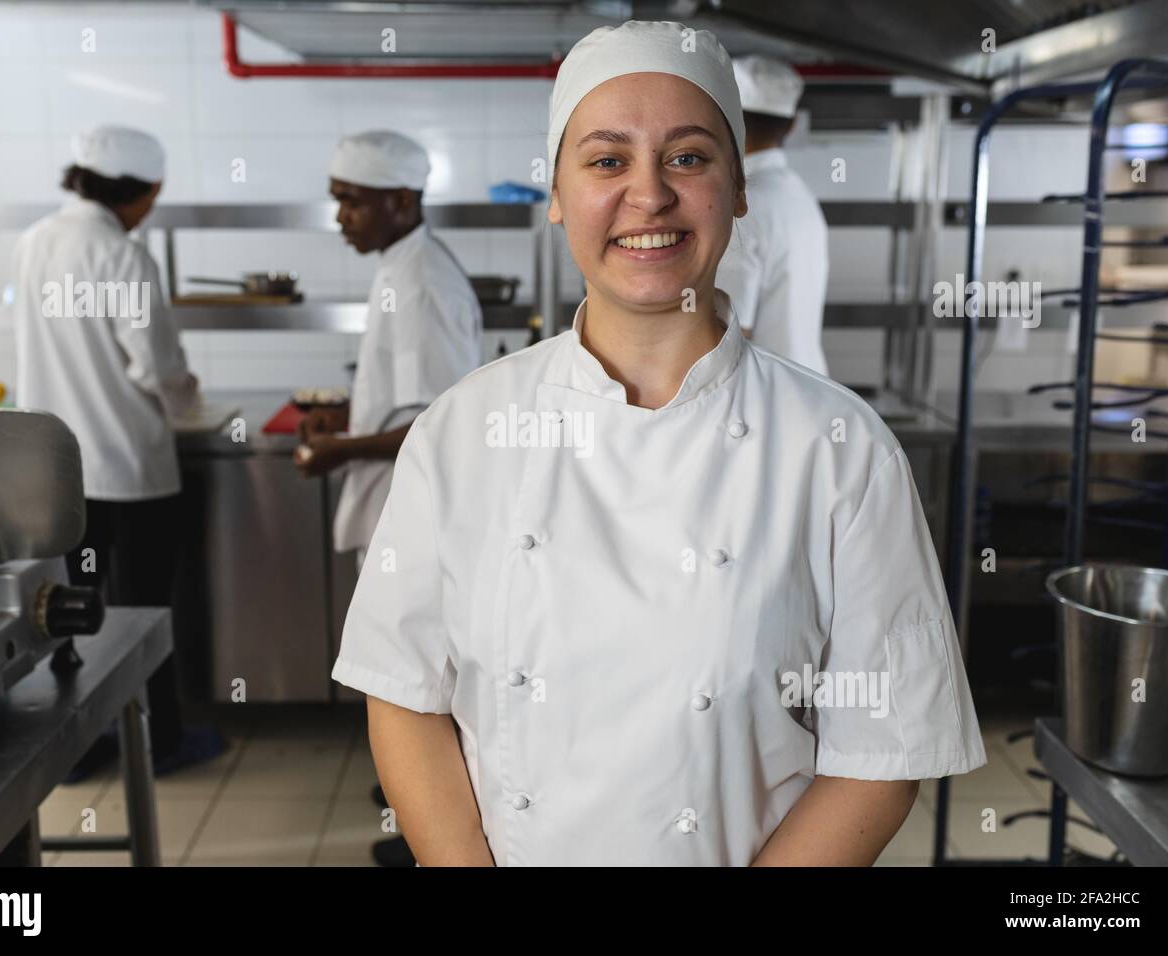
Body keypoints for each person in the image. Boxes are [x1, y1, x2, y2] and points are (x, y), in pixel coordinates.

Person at [329, 20, 986, 866]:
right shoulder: (461, 431)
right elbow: (404, 692)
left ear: (739, 187)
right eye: (607, 161)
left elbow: (881, 753)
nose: (648, 196)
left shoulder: (840, 450)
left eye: (687, 157)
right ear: (559, 192)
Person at [293, 130, 483, 865]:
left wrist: (337, 450)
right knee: (409, 675)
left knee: (424, 675)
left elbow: (436, 422)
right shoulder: (401, 267)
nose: (341, 217)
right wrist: (349, 421)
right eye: (337, 200)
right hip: (400, 511)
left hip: (423, 518)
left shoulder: (423, 280)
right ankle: (414, 800)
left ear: (401, 200)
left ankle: (434, 832)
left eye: (351, 202)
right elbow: (404, 403)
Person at [12, 126, 222, 777]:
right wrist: (190, 408)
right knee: (142, 613)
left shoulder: (34, 242)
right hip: (127, 469)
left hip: (54, 470)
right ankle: (160, 743)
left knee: (64, 614)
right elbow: (155, 365)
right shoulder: (122, 255)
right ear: (140, 192)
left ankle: (74, 751)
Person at [714, 54, 830, 375]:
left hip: (765, 400)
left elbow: (729, 335)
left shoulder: (742, 208)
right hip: (807, 384)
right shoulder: (799, 196)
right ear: (792, 125)